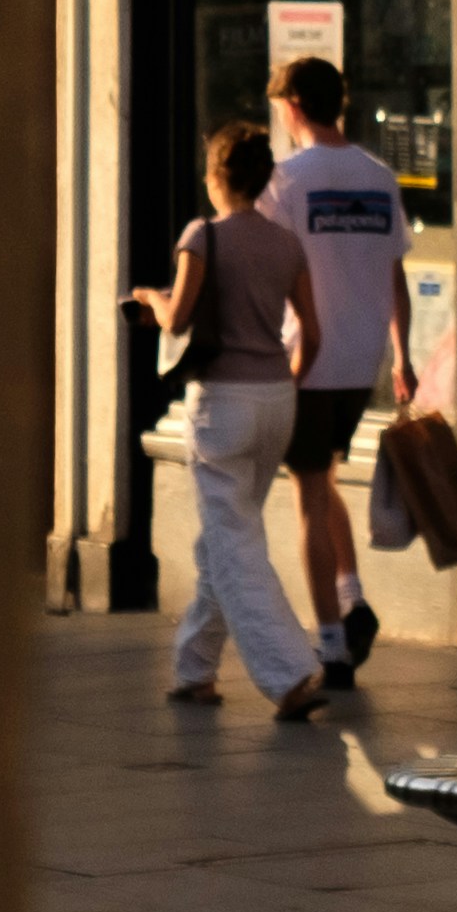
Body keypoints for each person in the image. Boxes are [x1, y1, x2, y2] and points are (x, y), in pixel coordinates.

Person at [130, 127, 326, 718]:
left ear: (215, 176)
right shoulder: (286, 244)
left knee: (234, 541)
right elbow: (311, 335)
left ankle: (290, 673)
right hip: (276, 400)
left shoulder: (201, 235)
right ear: (264, 179)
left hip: (221, 404)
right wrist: (285, 382)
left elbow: (178, 318)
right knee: (225, 534)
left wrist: (149, 298)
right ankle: (195, 670)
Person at [265, 52, 417, 685]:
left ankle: (331, 650)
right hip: (361, 363)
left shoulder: (287, 180)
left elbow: (263, 266)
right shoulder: (378, 177)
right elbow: (396, 275)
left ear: (294, 106)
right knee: (322, 478)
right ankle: (352, 600)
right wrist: (403, 357)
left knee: (306, 496)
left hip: (307, 359)